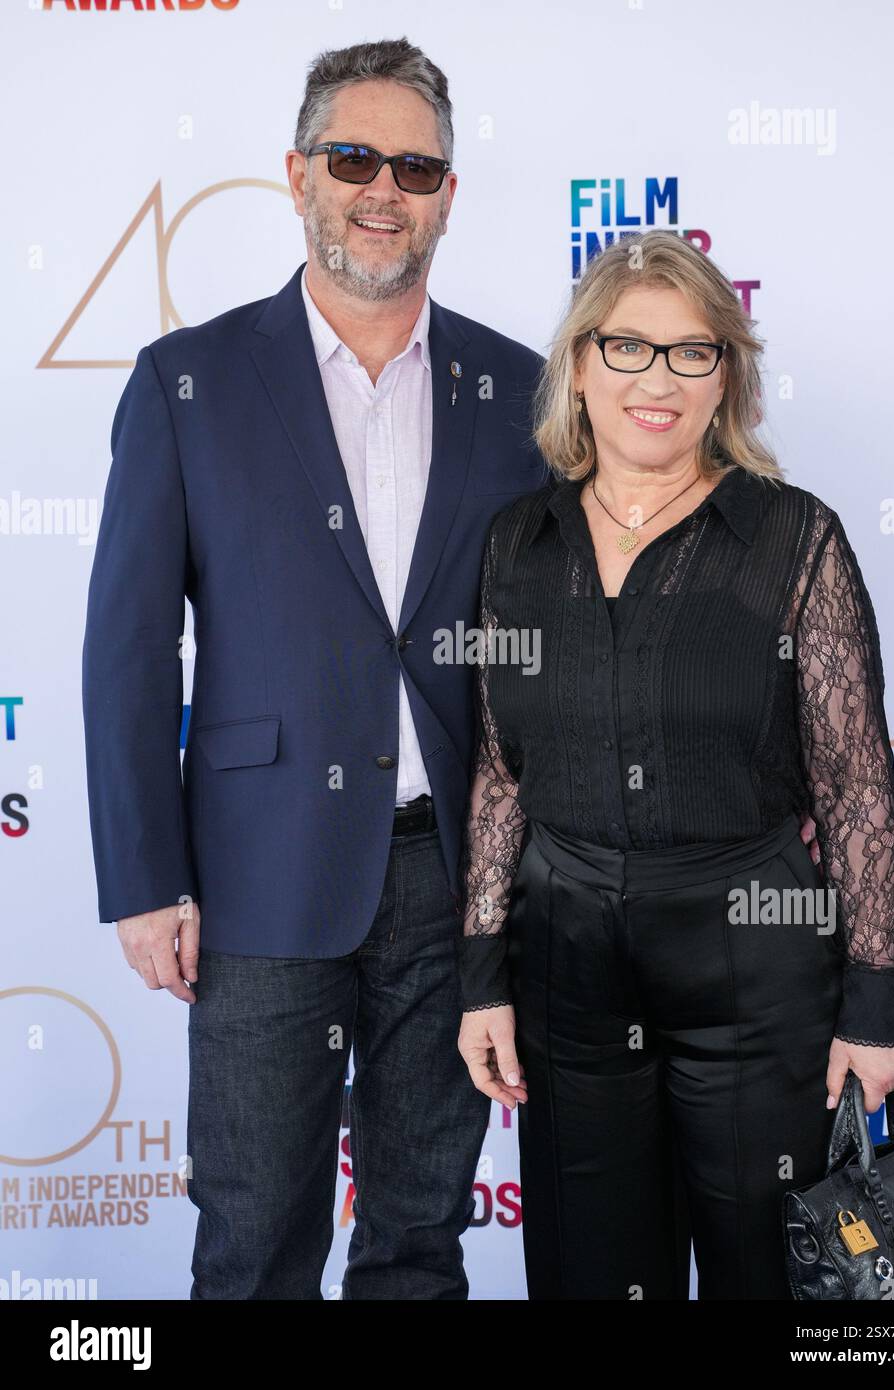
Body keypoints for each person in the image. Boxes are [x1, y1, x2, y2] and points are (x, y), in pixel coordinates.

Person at [81, 37, 548, 1300]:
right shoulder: (189, 382)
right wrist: (143, 877)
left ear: (450, 192)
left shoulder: (522, 389)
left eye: (414, 164)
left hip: (455, 881)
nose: (382, 188)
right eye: (354, 158)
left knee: (418, 1237)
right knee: (251, 1238)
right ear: (298, 174)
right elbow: (128, 648)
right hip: (256, 872)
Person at [455, 229, 894, 1300]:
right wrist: (483, 974)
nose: (656, 380)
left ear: (728, 378)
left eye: (691, 352)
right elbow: (498, 770)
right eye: (627, 348)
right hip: (566, 968)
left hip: (756, 966)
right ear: (580, 365)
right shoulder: (514, 544)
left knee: (775, 1278)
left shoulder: (793, 539)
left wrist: (879, 1001)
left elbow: (855, 786)